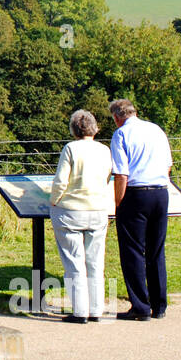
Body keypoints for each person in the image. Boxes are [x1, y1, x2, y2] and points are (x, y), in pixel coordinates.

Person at [108, 98, 174, 321]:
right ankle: (160, 305)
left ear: (117, 117)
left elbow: (121, 173)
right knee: (156, 250)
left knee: (133, 251)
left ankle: (140, 306)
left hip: (136, 192)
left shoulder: (121, 134)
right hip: (160, 190)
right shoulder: (156, 130)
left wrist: (118, 202)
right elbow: (168, 165)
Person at [48, 109, 113, 323]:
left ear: (74, 128)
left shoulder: (71, 149)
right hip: (97, 209)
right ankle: (96, 309)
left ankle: (80, 311)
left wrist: (54, 201)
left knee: (74, 262)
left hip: (71, 210)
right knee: (95, 261)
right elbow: (107, 176)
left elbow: (61, 181)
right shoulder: (104, 150)